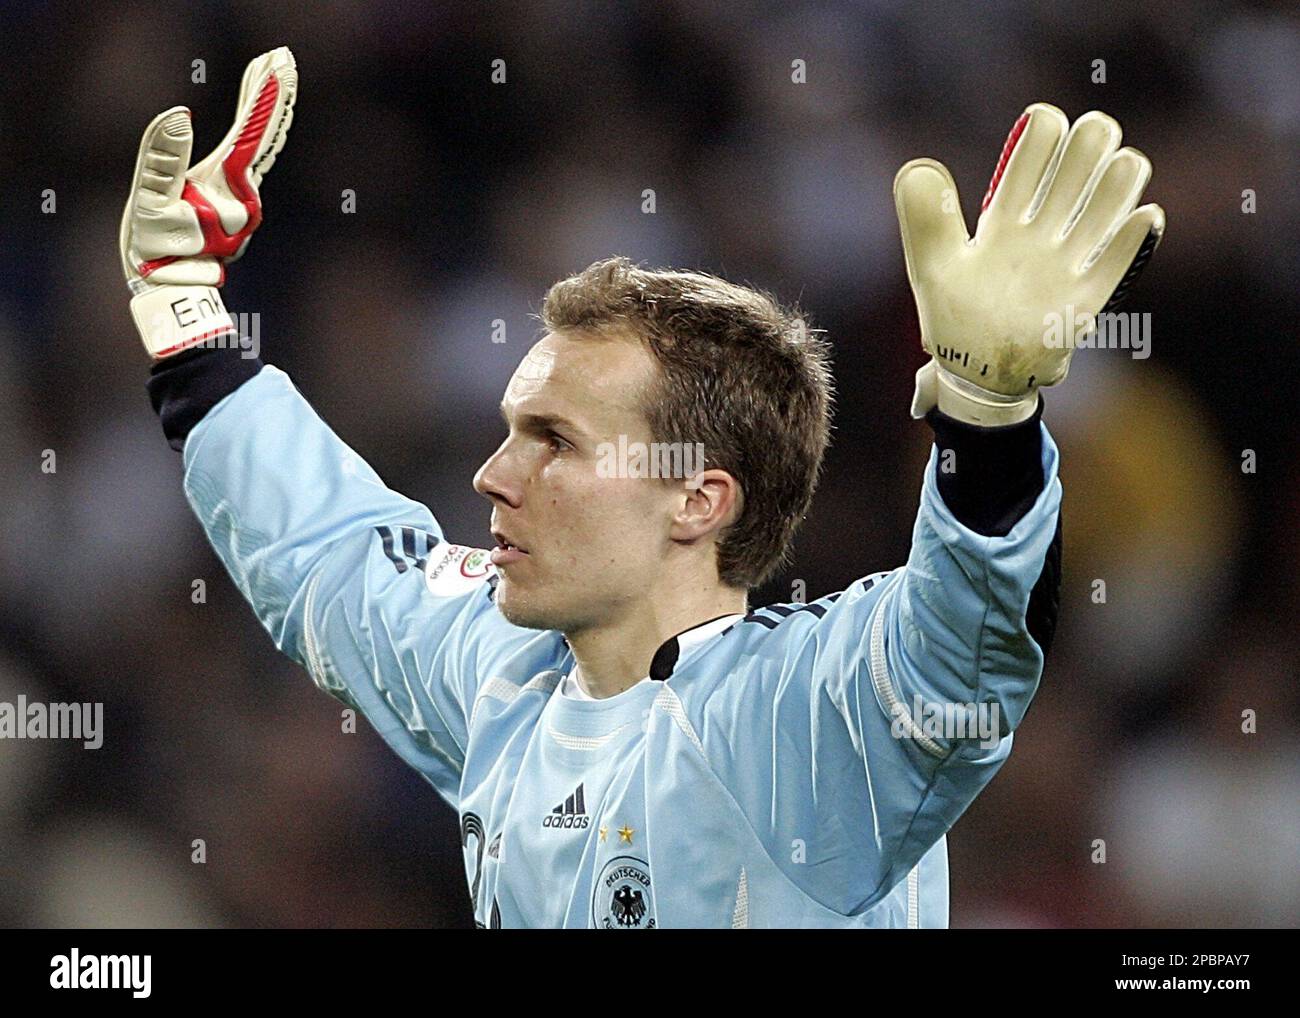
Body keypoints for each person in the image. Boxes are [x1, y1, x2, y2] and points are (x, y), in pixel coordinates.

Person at [120, 47, 1163, 928]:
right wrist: (181, 314)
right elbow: (326, 550)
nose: (493, 474)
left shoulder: (803, 718)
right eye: (507, 431)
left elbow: (961, 645)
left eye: (553, 441)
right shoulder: (498, 668)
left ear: (698, 499)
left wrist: (984, 425)